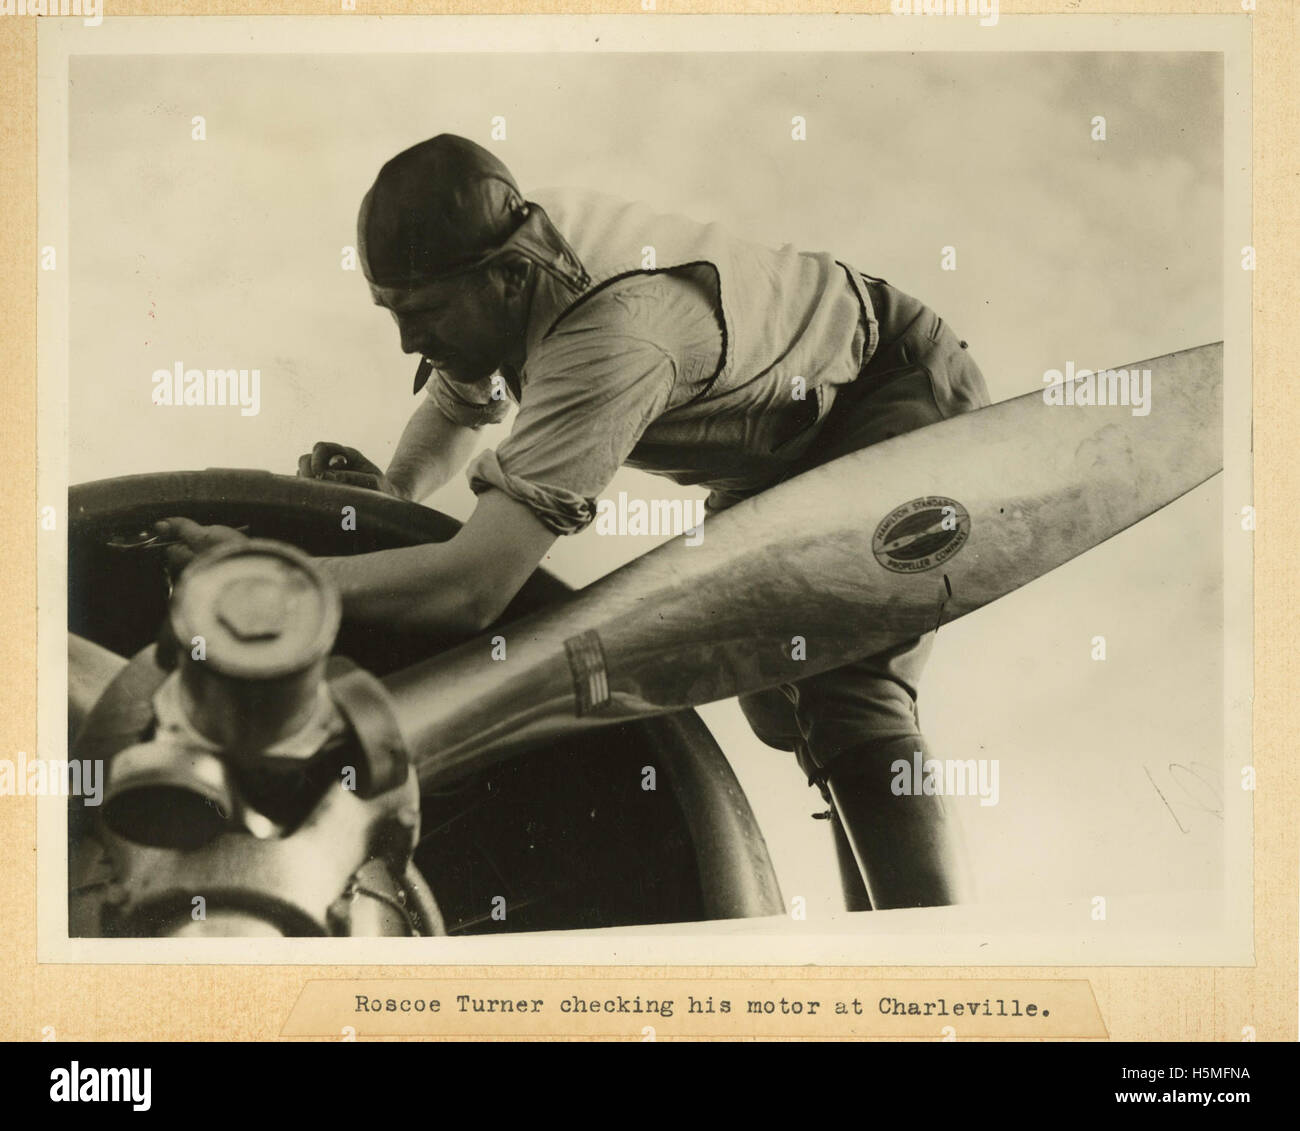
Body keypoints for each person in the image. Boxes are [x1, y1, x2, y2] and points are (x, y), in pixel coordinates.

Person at [162, 133, 991, 911]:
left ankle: (929, 964)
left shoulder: (612, 336)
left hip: (891, 389)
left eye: (424, 311)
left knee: (844, 686)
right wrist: (394, 489)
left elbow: (471, 589)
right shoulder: (510, 259)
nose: (408, 338)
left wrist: (273, 591)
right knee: (785, 705)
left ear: (509, 279)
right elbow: (462, 391)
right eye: (393, 310)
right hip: (785, 443)